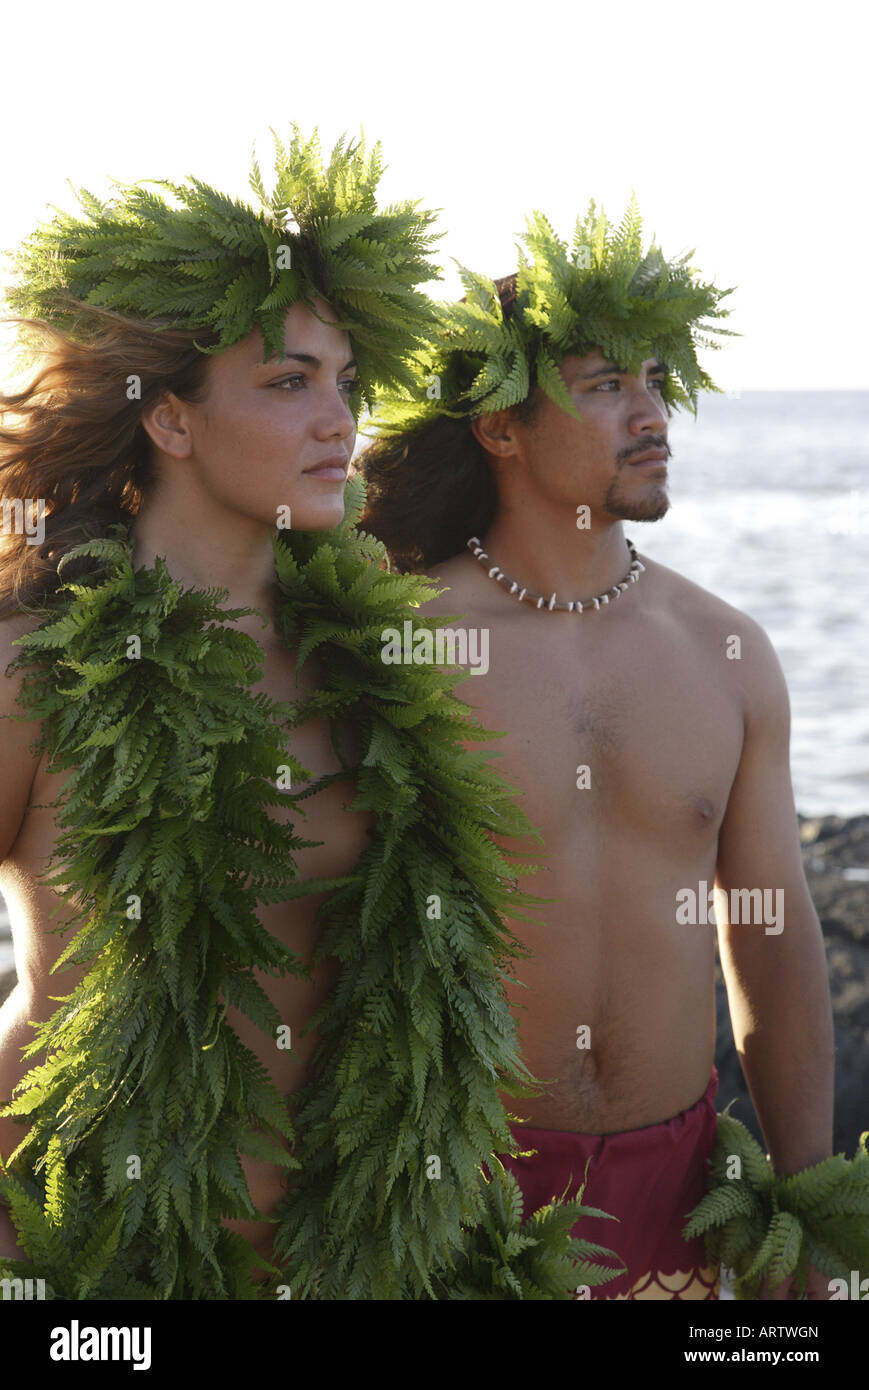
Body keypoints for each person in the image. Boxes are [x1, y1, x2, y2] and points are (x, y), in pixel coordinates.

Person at [0, 130, 608, 1300]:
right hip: (96, 1266)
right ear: (168, 420)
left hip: (357, 1268)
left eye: (343, 381)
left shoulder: (380, 672)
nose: (340, 419)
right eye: (288, 382)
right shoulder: (41, 675)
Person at [359, 201, 838, 1299]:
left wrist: (798, 1208)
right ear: (499, 427)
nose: (651, 411)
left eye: (655, 380)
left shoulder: (724, 654)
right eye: (602, 384)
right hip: (445, 1204)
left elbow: (766, 926)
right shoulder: (401, 645)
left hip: (673, 1199)